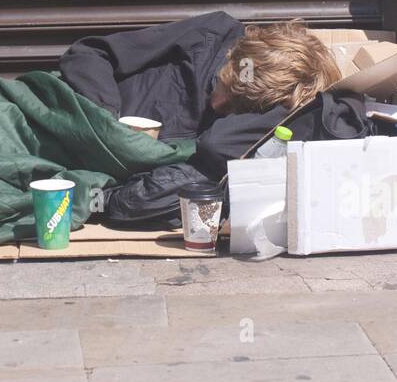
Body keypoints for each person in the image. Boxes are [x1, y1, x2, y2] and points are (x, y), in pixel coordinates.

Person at [59, 11, 341, 223]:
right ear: (236, 57)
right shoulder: (211, 35)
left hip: (75, 175)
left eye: (237, 105)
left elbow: (216, 147)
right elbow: (88, 54)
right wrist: (107, 120)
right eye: (223, 83)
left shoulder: (245, 129)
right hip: (61, 116)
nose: (219, 103)